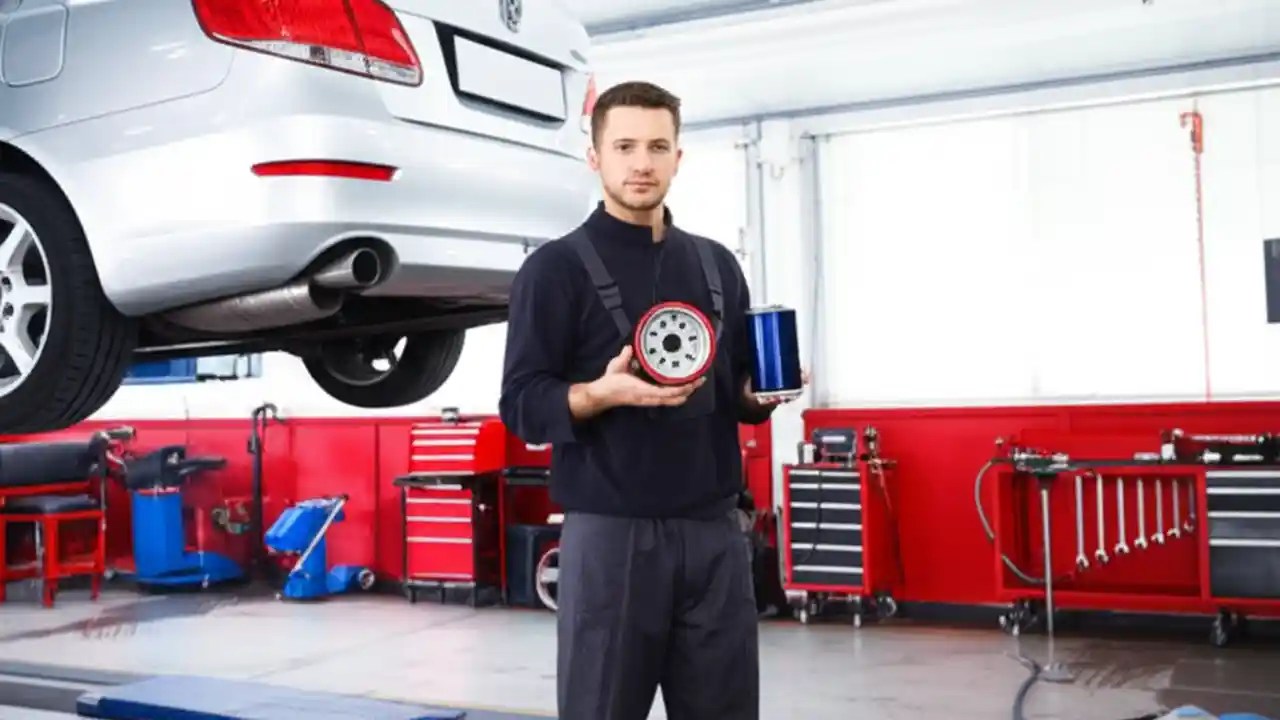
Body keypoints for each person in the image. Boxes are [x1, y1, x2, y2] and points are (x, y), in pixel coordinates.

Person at [499, 80, 800, 720]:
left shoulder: (718, 265)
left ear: (678, 158)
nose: (642, 162)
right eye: (626, 146)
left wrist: (762, 393)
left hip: (715, 536)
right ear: (595, 156)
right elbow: (523, 404)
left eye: (658, 146)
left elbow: (737, 398)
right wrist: (599, 394)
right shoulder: (553, 271)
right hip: (611, 540)